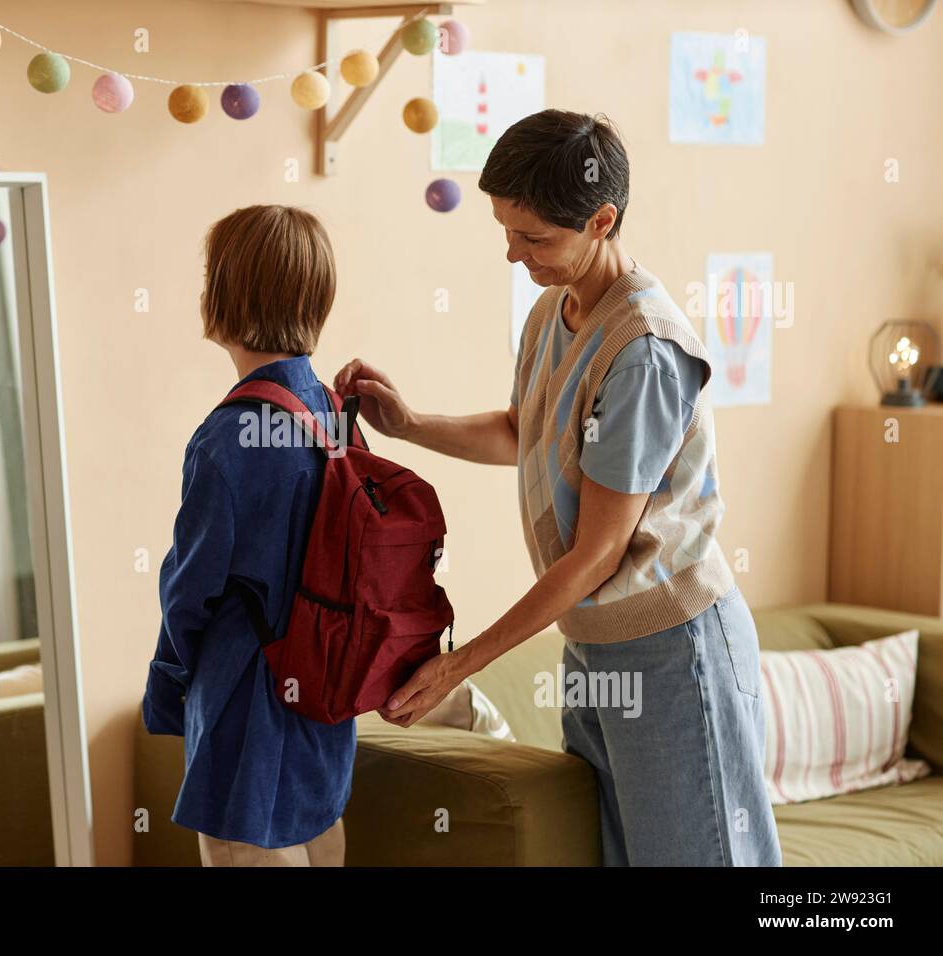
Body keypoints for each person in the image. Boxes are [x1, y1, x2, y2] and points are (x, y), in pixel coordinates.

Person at [335, 110, 783, 867]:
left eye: (534, 238)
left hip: (673, 651)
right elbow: (524, 431)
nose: (514, 254)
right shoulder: (554, 310)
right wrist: (409, 424)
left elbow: (596, 555)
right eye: (505, 231)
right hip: (596, 647)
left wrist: (458, 663)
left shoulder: (642, 352)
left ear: (602, 220)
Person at [141, 204, 352, 867]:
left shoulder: (229, 436)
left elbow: (190, 592)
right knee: (320, 835)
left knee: (236, 847)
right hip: (324, 686)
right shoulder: (332, 409)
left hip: (245, 696)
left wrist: (167, 682)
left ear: (228, 292)